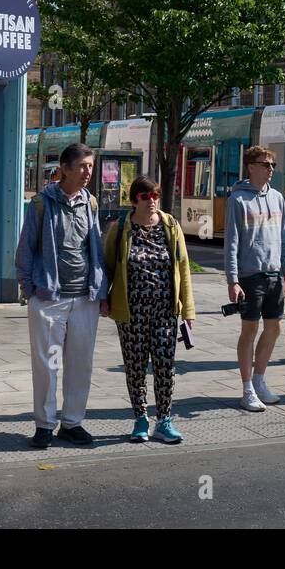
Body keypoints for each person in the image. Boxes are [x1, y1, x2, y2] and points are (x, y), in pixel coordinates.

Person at [15, 142, 108, 448]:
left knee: (81, 362)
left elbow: (95, 247)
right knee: (47, 364)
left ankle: (72, 422)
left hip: (85, 297)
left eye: (91, 166)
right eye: (82, 165)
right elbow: (25, 248)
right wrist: (30, 289)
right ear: (64, 168)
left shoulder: (90, 203)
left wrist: (100, 289)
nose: (88, 172)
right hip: (49, 297)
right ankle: (44, 424)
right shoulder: (42, 203)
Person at [102, 175, 195, 445]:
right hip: (131, 312)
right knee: (135, 367)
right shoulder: (121, 228)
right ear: (134, 200)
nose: (152, 200)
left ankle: (164, 420)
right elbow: (107, 266)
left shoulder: (170, 226)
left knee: (165, 366)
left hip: (165, 311)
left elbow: (183, 268)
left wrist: (188, 311)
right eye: (146, 196)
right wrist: (103, 299)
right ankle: (141, 418)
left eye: (155, 195)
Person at [225, 145, 285, 412]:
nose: (271, 170)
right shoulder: (237, 200)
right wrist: (233, 280)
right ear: (251, 166)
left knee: (274, 328)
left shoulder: (278, 198)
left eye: (272, 165)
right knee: (249, 330)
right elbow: (231, 243)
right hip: (249, 274)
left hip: (275, 273)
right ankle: (246, 389)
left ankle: (259, 379)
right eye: (266, 165)